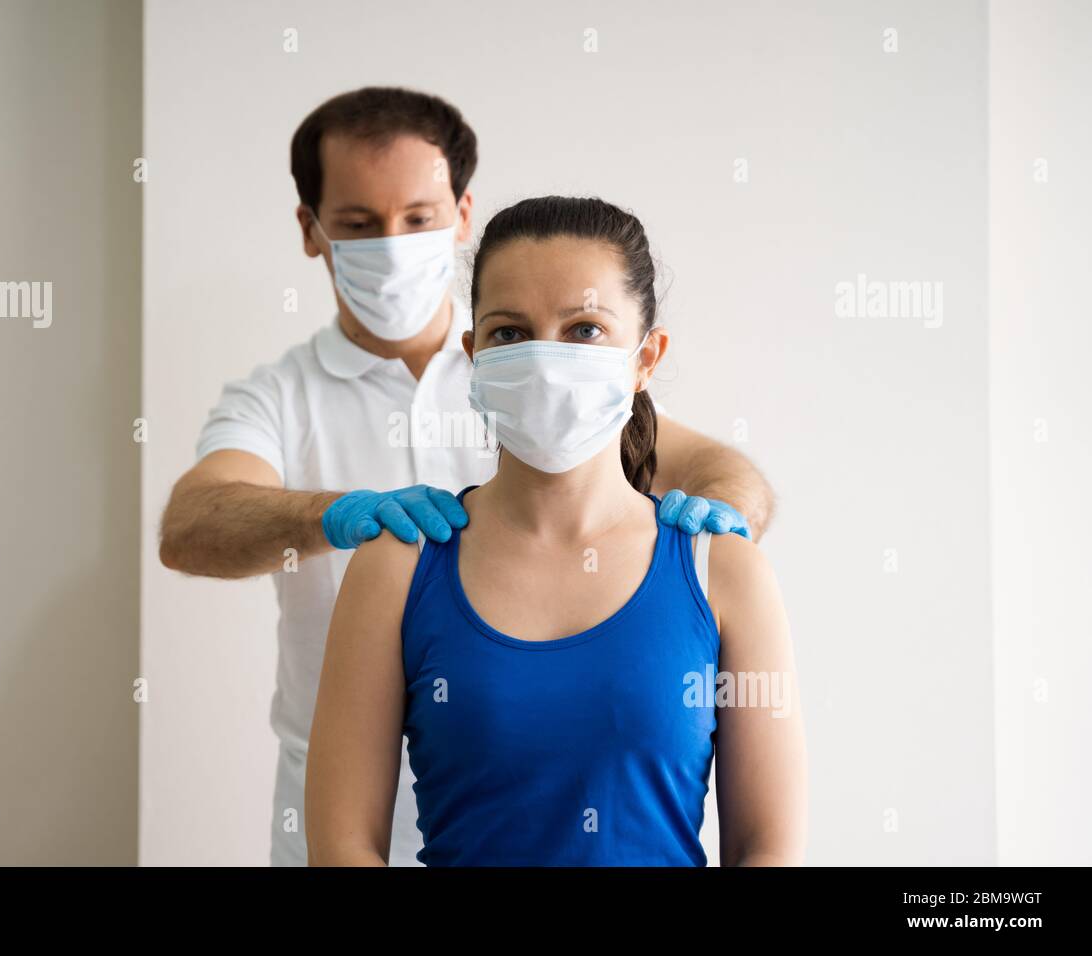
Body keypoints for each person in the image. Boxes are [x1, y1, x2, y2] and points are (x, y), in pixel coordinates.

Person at [158, 87, 778, 867]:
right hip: (358, 805)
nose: (392, 242)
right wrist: (338, 515)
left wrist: (706, 555)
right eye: (358, 222)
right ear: (312, 230)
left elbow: (722, 470)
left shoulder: (531, 363)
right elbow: (192, 528)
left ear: (459, 212)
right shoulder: (283, 403)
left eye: (418, 217)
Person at [304, 196, 806, 866]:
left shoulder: (726, 572)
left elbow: (769, 849)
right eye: (510, 333)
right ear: (473, 353)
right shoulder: (396, 567)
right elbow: (343, 849)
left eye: (585, 329)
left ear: (646, 357)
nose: (545, 359)